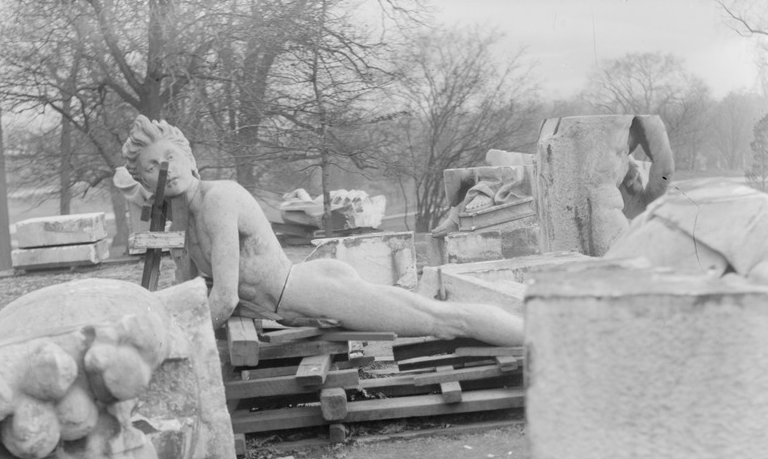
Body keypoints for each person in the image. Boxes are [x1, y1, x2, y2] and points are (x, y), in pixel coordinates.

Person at [114, 116, 525, 346]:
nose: (162, 171)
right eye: (151, 167)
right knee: (435, 317)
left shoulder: (220, 199)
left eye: (168, 157)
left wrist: (170, 339)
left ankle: (542, 340)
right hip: (288, 304)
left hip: (308, 290)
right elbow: (192, 294)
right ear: (146, 182)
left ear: (188, 158)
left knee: (440, 320)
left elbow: (224, 297)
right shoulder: (180, 223)